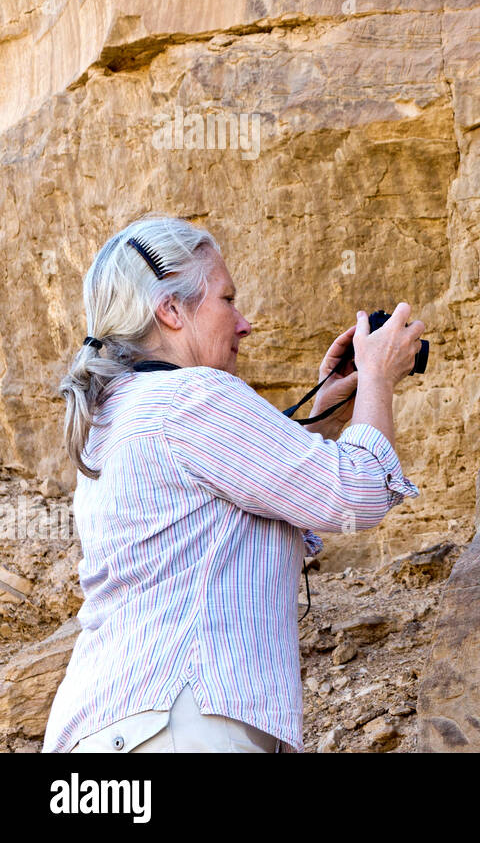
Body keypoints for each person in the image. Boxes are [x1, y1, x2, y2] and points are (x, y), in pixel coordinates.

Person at [41, 214, 425, 753]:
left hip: (107, 733)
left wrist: (326, 419)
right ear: (170, 310)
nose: (243, 322)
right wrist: (379, 377)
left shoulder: (120, 414)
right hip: (176, 725)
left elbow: (241, 519)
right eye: (227, 299)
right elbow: (354, 495)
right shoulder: (194, 396)